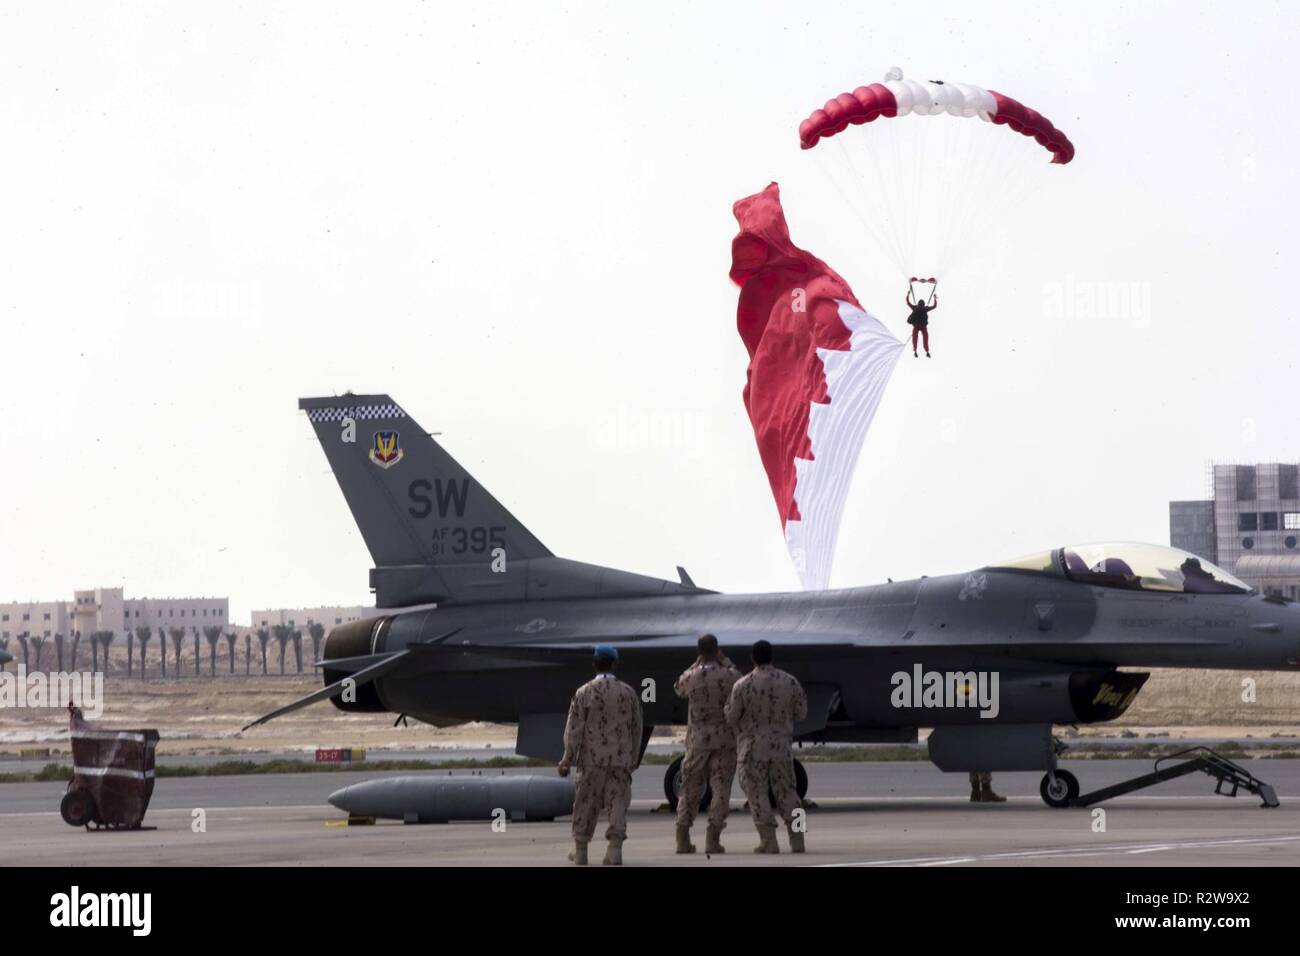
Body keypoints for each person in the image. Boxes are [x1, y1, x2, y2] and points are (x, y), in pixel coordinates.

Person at [558, 644, 643, 865]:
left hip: (591, 761)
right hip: (620, 760)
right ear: (615, 664)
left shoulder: (583, 692)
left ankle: (581, 851)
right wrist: (632, 759)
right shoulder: (628, 692)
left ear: (594, 664)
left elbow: (574, 729)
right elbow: (637, 728)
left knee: (585, 804)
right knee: (618, 804)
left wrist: (567, 758)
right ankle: (615, 851)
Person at [724, 640, 808, 853]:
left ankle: (768, 841)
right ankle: (798, 840)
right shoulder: (789, 682)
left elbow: (732, 717)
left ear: (753, 658)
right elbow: (801, 713)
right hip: (782, 748)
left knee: (757, 794)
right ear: (772, 656)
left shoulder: (742, 685)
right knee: (789, 794)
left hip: (753, 749)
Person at [673, 634, 741, 854]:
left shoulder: (691, 677)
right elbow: (741, 681)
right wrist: (726, 661)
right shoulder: (730, 675)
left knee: (689, 789)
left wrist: (696, 664)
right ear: (718, 650)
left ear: (699, 651)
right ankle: (713, 839)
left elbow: (678, 688)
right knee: (721, 790)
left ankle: (683, 839)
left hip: (697, 742)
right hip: (724, 741)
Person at [905, 287, 938, 358]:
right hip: (922, 326)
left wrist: (908, 294)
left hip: (918, 326)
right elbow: (935, 306)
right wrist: (935, 298)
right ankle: (925, 351)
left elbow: (907, 302)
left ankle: (918, 350)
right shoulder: (924, 308)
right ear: (922, 304)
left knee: (916, 337)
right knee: (923, 338)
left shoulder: (916, 307)